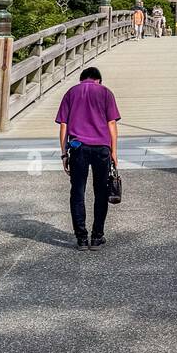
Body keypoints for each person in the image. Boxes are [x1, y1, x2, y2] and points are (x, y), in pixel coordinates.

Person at [56, 66, 121, 250]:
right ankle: (97, 236)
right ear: (98, 80)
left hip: (78, 148)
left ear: (82, 79)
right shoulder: (106, 92)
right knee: (100, 191)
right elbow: (111, 124)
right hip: (102, 148)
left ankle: (81, 238)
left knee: (77, 192)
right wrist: (114, 152)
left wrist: (63, 153)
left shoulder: (71, 92)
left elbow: (63, 125)